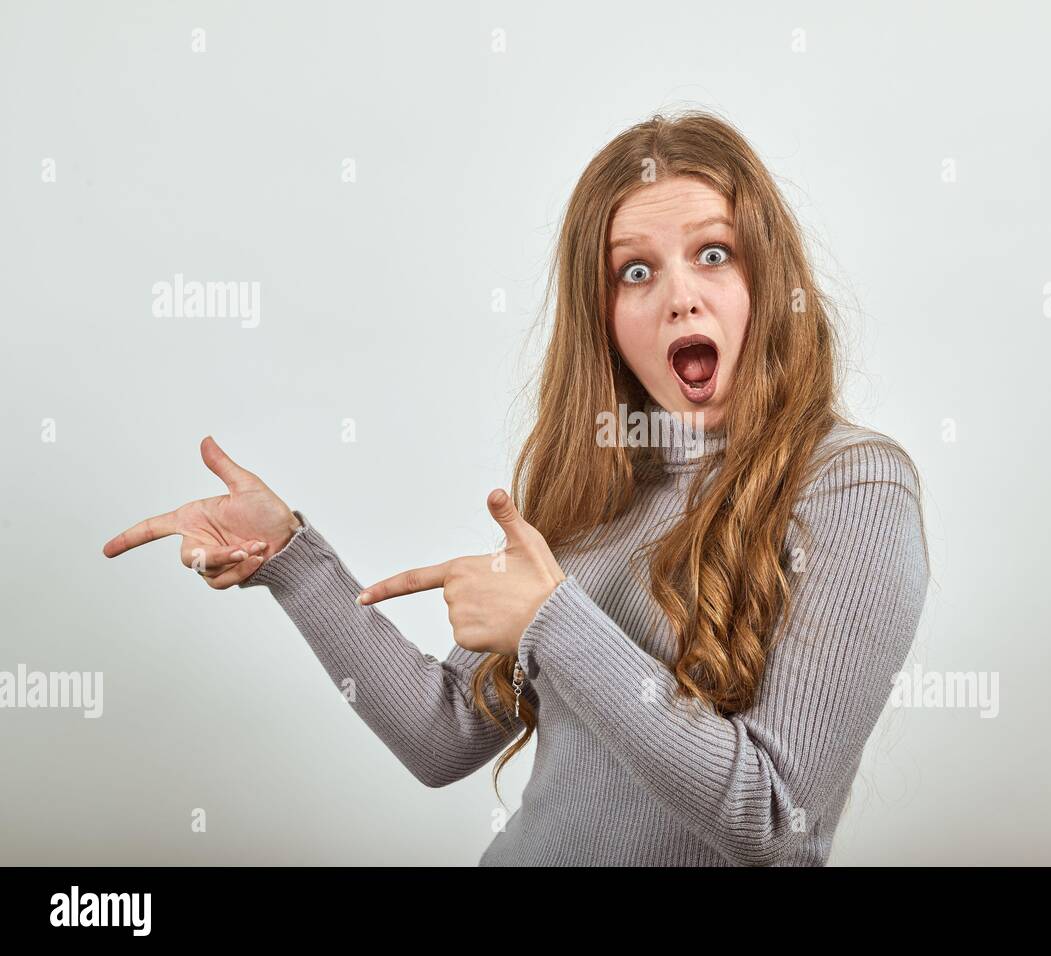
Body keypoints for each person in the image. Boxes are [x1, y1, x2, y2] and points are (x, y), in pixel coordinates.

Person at [102, 109, 931, 866]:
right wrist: (291, 557)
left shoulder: (853, 483)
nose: (680, 296)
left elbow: (779, 825)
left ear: (766, 278)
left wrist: (552, 620)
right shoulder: (591, 485)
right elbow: (442, 736)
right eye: (634, 273)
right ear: (602, 314)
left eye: (714, 255)